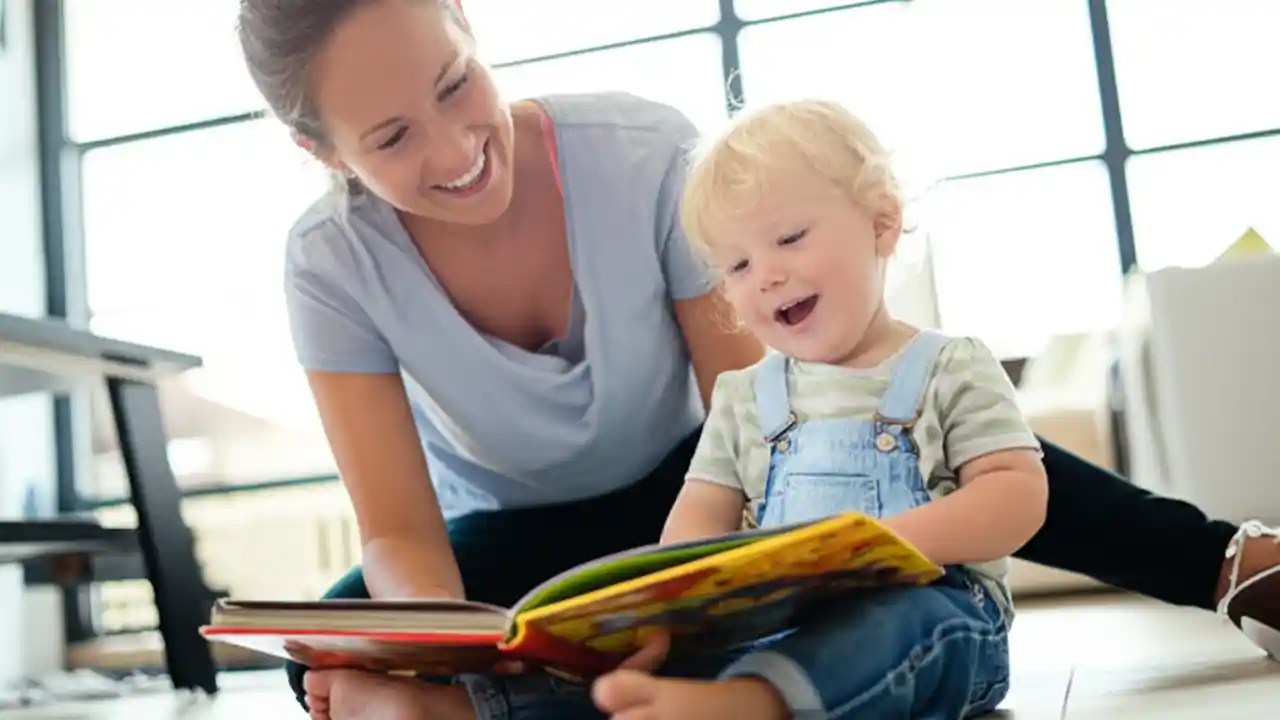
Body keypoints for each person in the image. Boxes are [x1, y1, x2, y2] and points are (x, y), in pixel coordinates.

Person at [230, 0, 1280, 717]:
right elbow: (402, 531)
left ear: (468, 22)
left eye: (457, 84)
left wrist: (718, 585)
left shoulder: (637, 154)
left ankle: (1226, 561)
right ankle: (481, 695)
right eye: (392, 138)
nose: (455, 150)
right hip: (505, 539)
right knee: (336, 635)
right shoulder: (330, 265)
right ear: (321, 152)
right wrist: (433, 651)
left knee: (929, 431)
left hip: (698, 486)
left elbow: (778, 404)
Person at [586, 97, 1046, 719]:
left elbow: (1017, 497)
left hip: (941, 618)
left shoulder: (950, 366)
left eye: (790, 238)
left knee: (902, 620)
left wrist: (880, 543)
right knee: (654, 654)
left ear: (881, 224)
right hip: (784, 627)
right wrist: (677, 611)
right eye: (739, 264)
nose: (767, 275)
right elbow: (696, 522)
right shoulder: (743, 397)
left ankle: (757, 704)